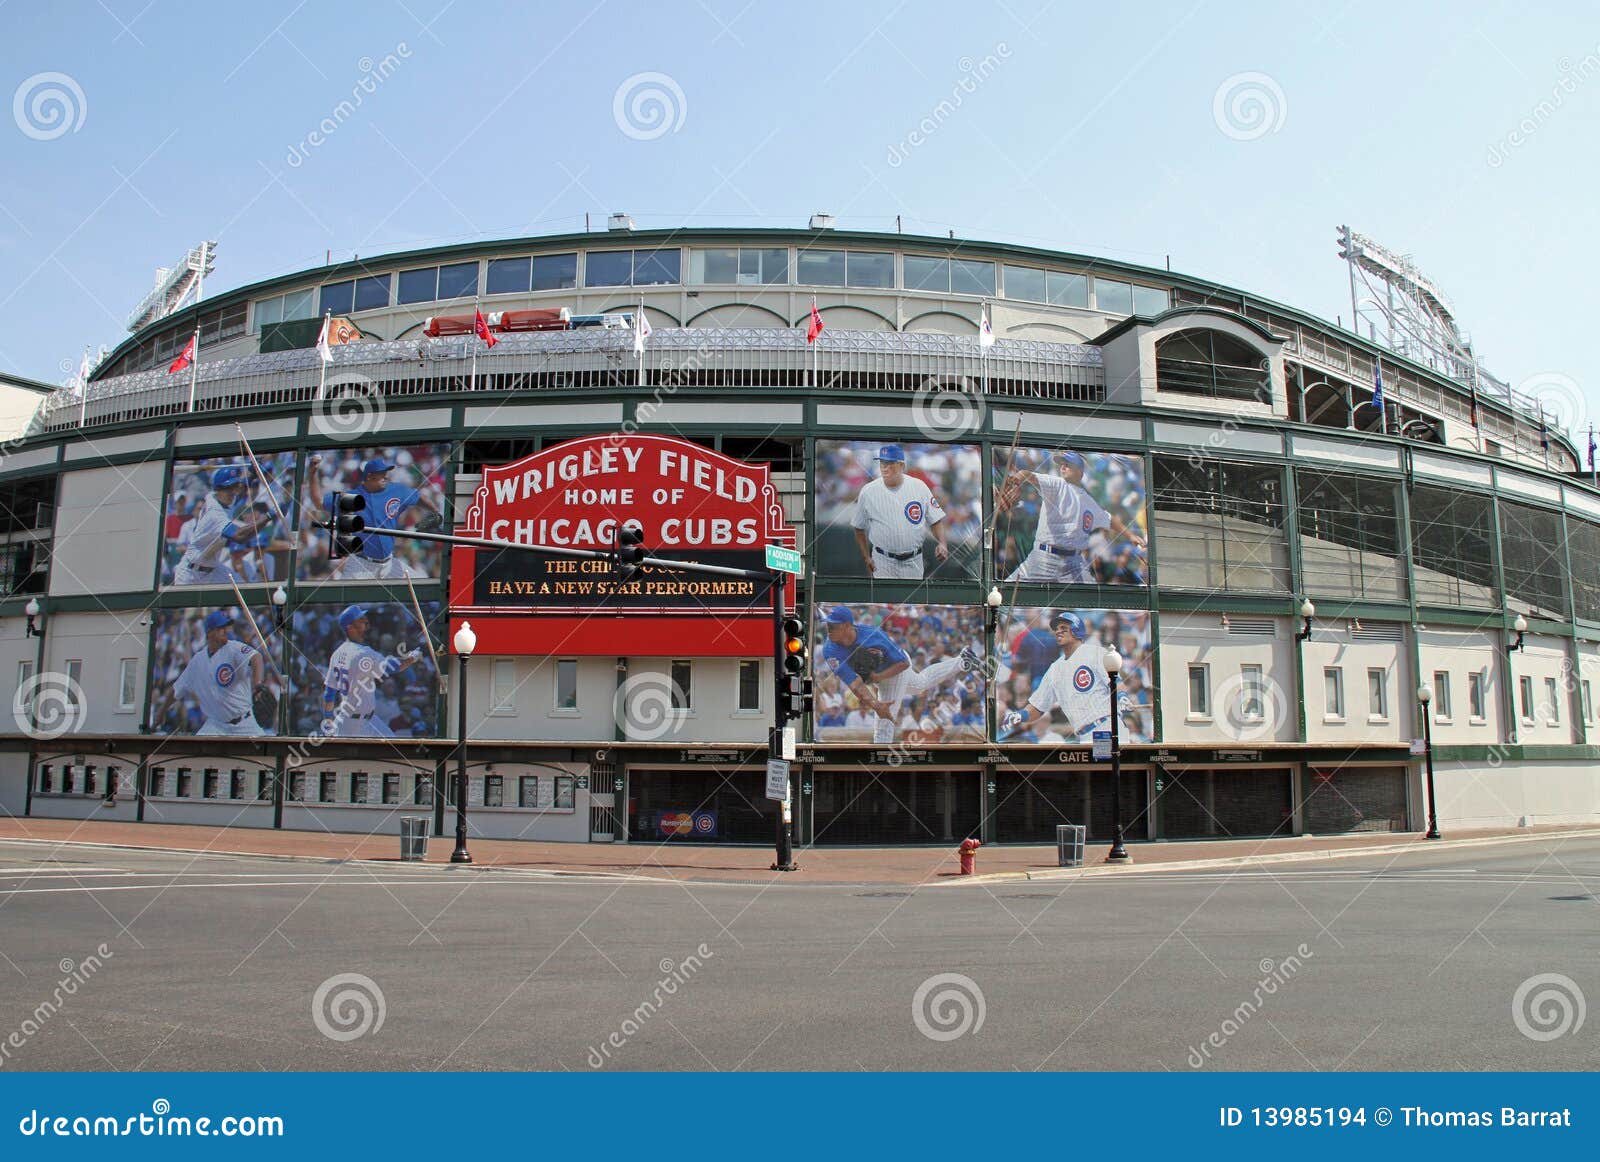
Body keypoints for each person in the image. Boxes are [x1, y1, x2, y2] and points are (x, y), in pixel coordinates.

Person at [820, 606, 979, 745]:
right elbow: (855, 684)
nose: (828, 627)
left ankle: (879, 766)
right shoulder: (830, 650)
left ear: (848, 625)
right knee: (919, 684)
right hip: (880, 674)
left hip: (895, 667)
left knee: (883, 723)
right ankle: (962, 660)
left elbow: (903, 663)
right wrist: (875, 704)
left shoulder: (873, 635)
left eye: (833, 625)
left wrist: (878, 678)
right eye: (827, 623)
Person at [1003, 451, 1145, 583]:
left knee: (1094, 599)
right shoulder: (1056, 484)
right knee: (1004, 593)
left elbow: (1109, 519)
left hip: (1073, 562)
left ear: (1080, 472)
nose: (1063, 467)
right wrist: (1015, 480)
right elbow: (1026, 474)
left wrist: (1130, 535)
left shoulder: (1088, 501)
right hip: (1044, 557)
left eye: (1068, 464)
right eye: (1062, 464)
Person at [312, 456, 442, 580]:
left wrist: (435, 511)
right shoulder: (352, 497)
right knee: (345, 596)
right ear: (370, 476)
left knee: (422, 584)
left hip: (389, 563)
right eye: (382, 473)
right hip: (361, 564)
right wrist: (312, 474)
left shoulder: (396, 490)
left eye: (386, 471)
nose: (386, 476)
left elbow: (419, 497)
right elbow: (318, 502)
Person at [999, 611, 1115, 743]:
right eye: (1056, 629)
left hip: (1105, 728)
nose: (1058, 632)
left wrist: (1122, 696)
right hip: (1083, 735)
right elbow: (1038, 706)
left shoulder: (1095, 653)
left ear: (1077, 631)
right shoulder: (1055, 668)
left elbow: (1116, 682)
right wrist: (1020, 715)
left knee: (1107, 763)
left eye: (1063, 628)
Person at [321, 605, 425, 737]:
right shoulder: (362, 654)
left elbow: (329, 693)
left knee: (394, 745)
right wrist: (413, 657)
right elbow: (393, 667)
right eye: (360, 620)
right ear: (350, 627)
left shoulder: (337, 653)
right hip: (354, 725)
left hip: (363, 719)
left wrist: (328, 719)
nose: (365, 621)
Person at [851, 445, 950, 579]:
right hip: (882, 560)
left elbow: (935, 520)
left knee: (911, 599)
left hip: (913, 560)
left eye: (890, 463)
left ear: (901, 466)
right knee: (884, 599)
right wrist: (866, 557)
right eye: (882, 463)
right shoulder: (868, 491)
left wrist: (942, 543)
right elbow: (858, 528)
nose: (885, 467)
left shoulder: (919, 487)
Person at [171, 465, 272, 585]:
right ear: (218, 489)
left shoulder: (222, 498)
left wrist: (251, 472)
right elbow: (239, 536)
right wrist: (268, 518)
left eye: (233, 487)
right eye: (228, 488)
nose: (232, 492)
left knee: (242, 588)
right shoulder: (214, 512)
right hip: (190, 573)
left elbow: (241, 490)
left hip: (213, 569)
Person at [171, 610, 266, 736]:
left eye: (226, 627)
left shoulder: (234, 648)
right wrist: (160, 714)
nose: (226, 631)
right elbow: (176, 689)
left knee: (262, 752)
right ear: (210, 632)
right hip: (216, 724)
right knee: (195, 748)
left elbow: (256, 657)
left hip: (245, 723)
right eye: (221, 628)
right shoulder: (198, 660)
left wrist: (258, 684)